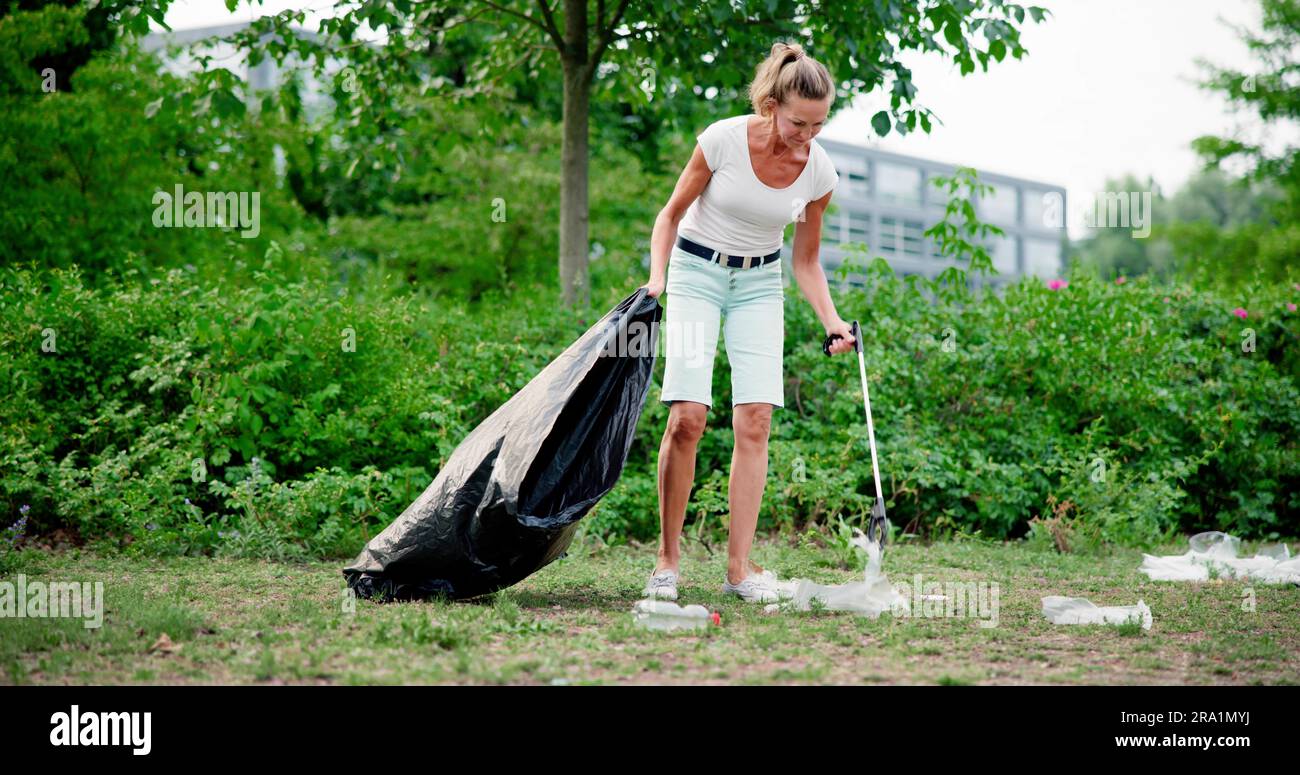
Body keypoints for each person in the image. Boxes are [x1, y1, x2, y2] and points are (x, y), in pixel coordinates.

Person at [639, 41, 857, 604]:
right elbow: (669, 215)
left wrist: (833, 322)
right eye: (797, 122)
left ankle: (738, 571)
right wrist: (658, 279)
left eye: (818, 125)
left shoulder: (820, 173)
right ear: (770, 104)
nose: (807, 135)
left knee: (755, 418)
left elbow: (805, 261)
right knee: (688, 417)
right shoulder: (722, 140)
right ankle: (667, 560)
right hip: (695, 271)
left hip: (759, 283)